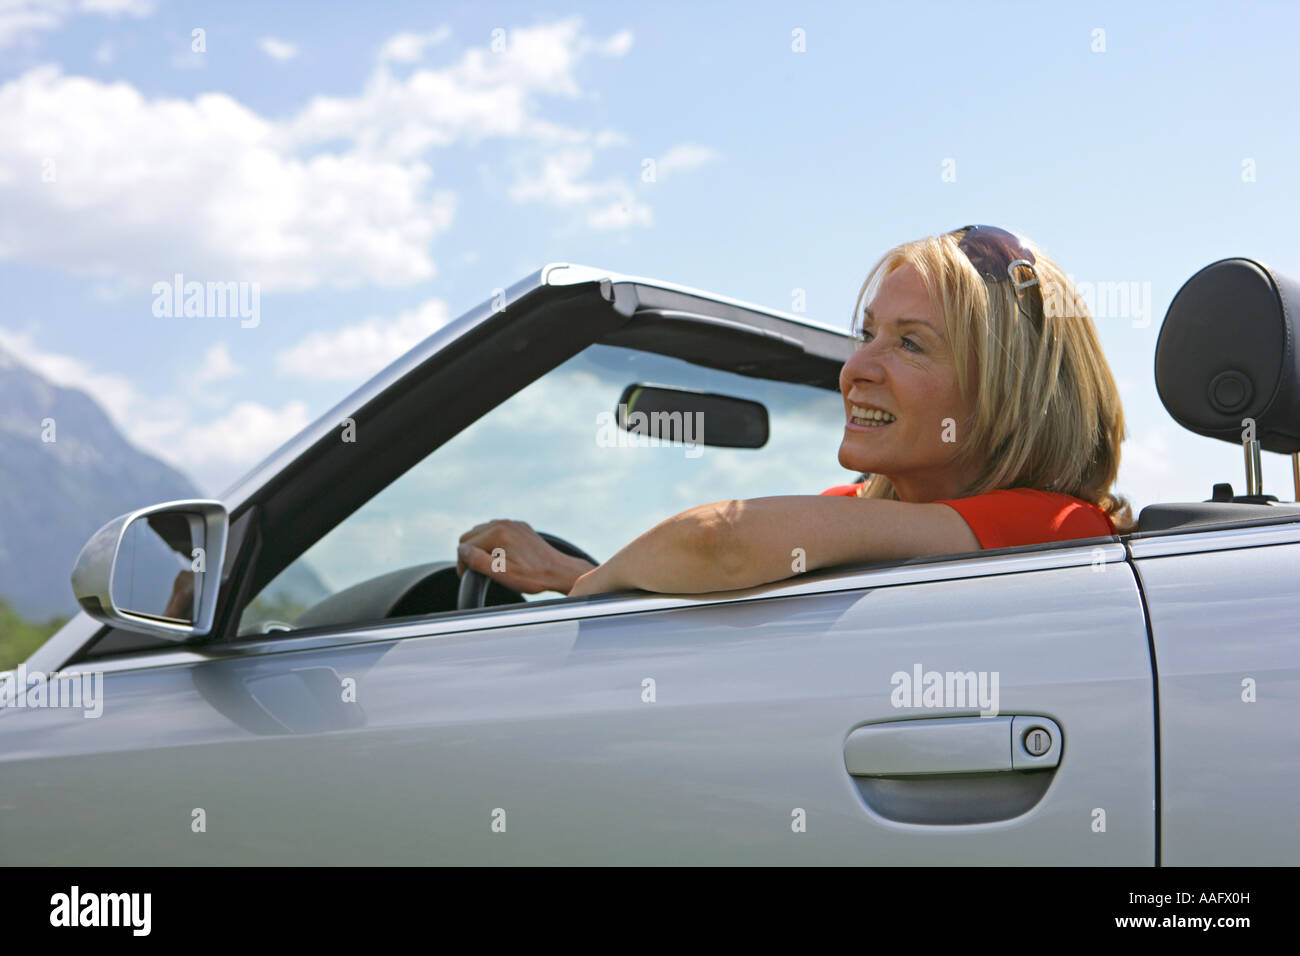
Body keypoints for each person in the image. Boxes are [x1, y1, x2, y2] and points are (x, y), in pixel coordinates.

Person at [457, 225, 1132, 598]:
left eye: (910, 344)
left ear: (1008, 390)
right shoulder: (853, 512)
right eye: (867, 334)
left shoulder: (1059, 529)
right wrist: (571, 576)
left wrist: (584, 586)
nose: (857, 369)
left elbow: (716, 543)